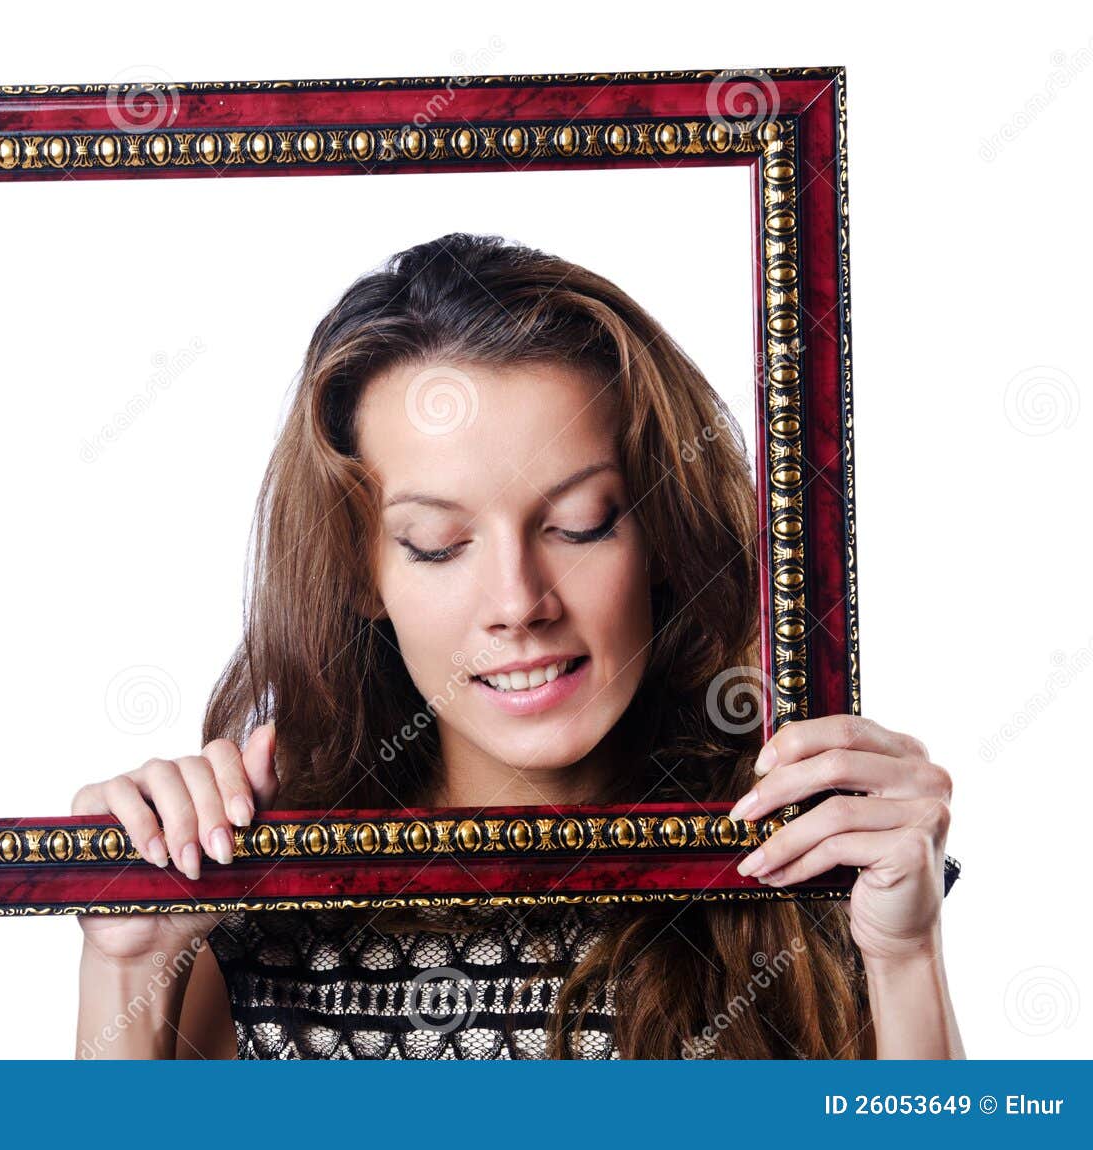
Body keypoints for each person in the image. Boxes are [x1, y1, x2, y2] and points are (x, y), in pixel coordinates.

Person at [73, 232, 962, 1059]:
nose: (519, 603)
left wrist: (904, 953)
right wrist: (126, 962)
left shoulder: (806, 858)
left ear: (660, 535)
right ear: (360, 574)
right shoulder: (261, 904)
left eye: (580, 525)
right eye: (438, 545)